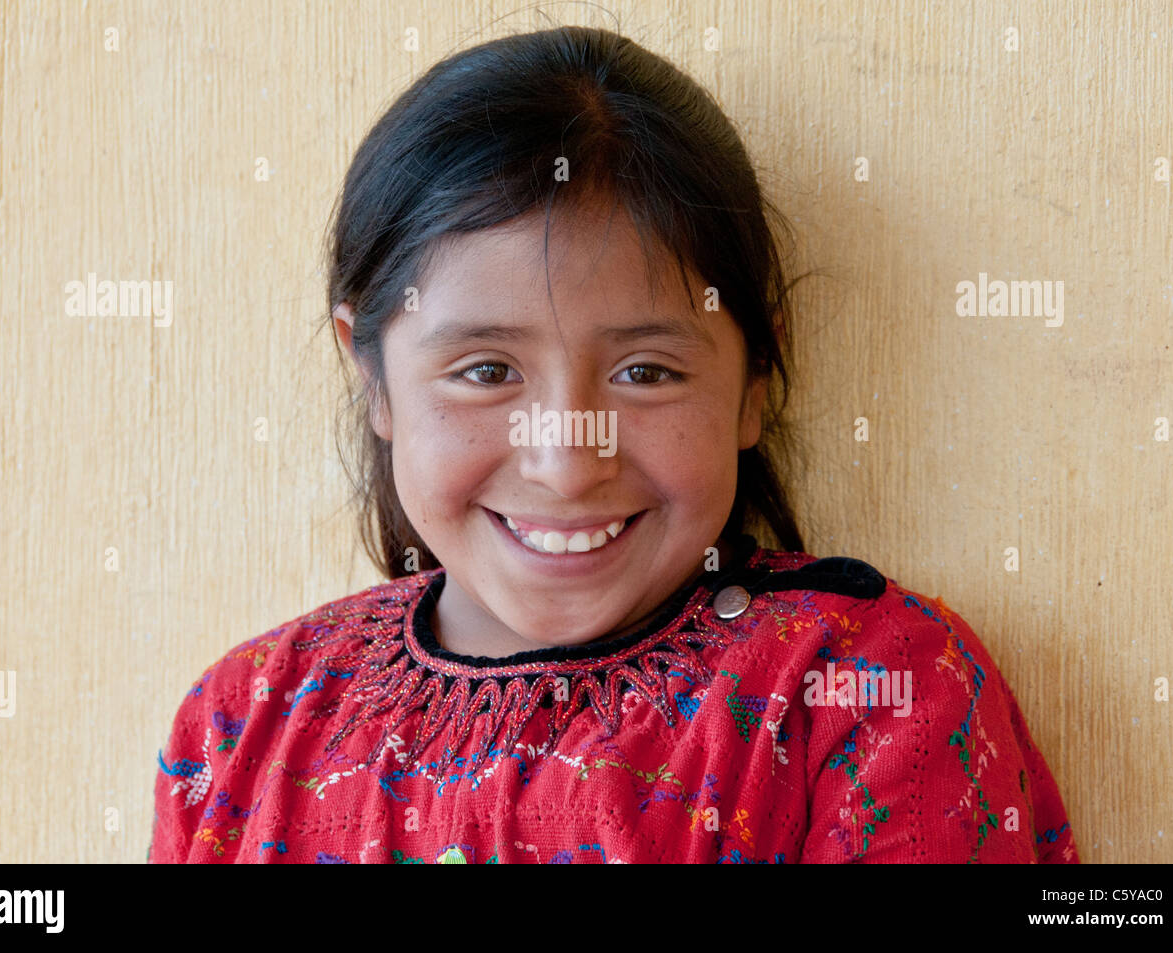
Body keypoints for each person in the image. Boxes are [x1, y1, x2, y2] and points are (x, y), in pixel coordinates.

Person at [150, 25, 1076, 863]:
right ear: (375, 376)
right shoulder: (241, 728)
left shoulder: (869, 695)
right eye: (484, 371)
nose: (566, 458)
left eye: (645, 372)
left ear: (757, 376)